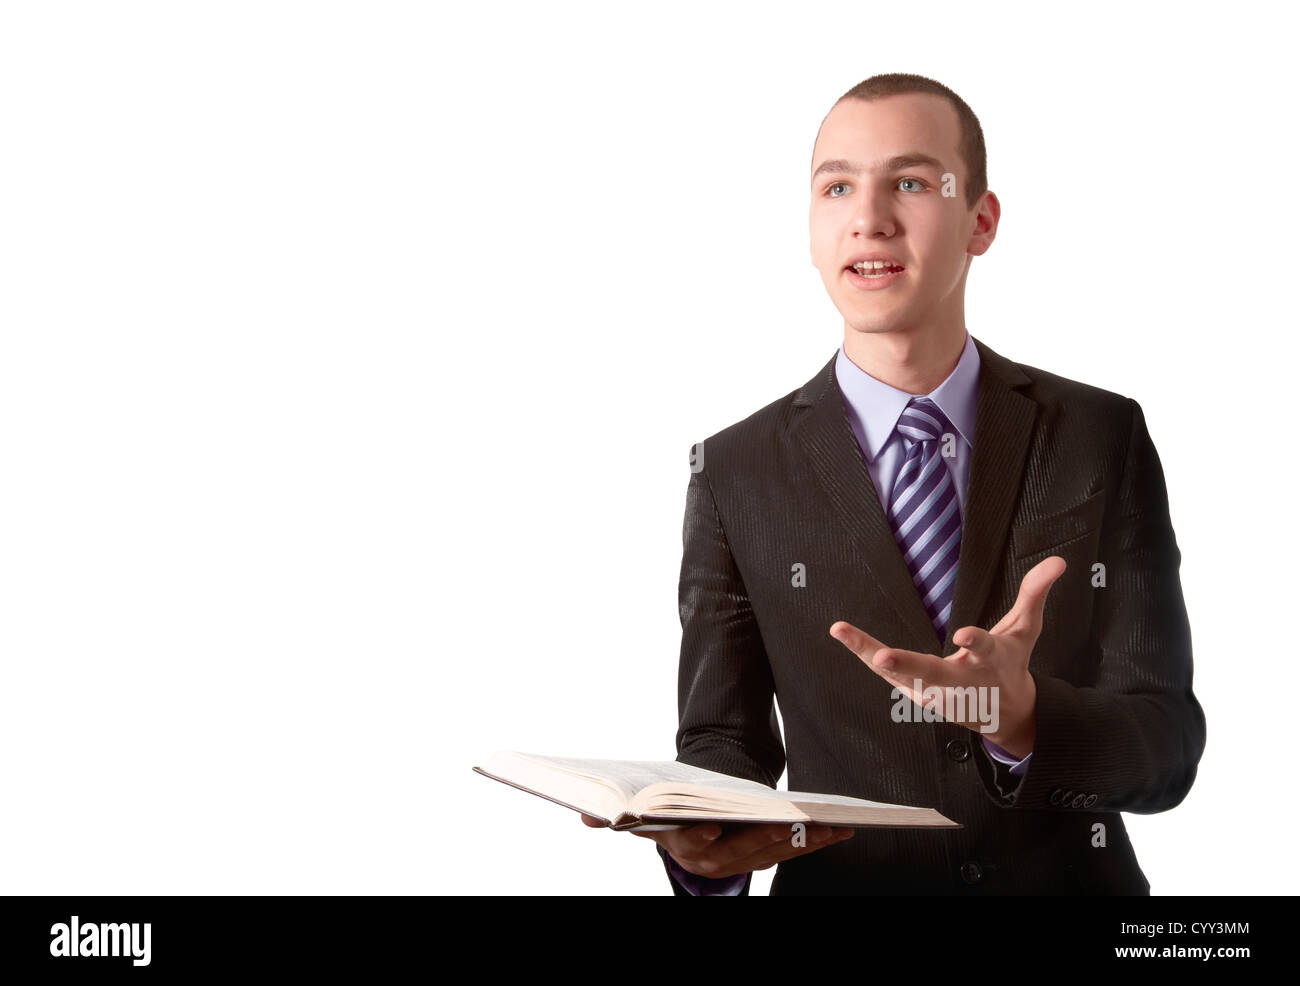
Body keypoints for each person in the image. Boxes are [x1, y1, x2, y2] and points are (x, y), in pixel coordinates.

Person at [582, 73, 1205, 894]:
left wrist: (1017, 717)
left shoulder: (1099, 435)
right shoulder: (734, 470)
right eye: (837, 186)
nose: (869, 216)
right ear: (811, 228)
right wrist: (698, 846)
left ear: (980, 221)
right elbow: (722, 742)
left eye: (910, 182)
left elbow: (1164, 746)